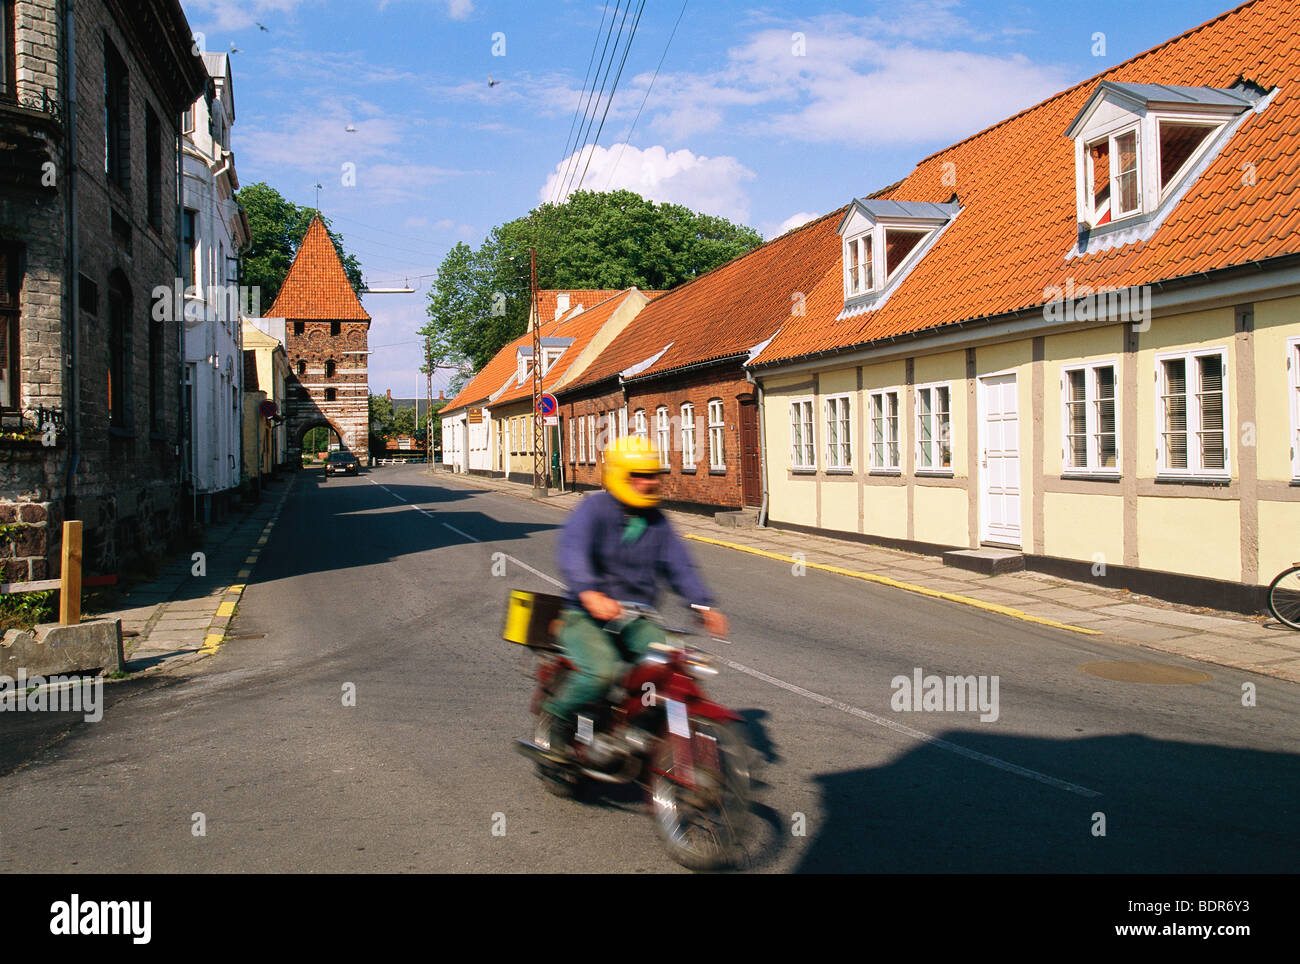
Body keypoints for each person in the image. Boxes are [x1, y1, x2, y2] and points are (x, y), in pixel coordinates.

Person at [541, 435, 728, 759]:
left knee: (668, 667)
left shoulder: (657, 521)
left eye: (653, 475)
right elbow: (574, 552)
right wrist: (589, 592)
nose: (649, 482)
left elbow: (679, 565)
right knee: (603, 671)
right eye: (639, 475)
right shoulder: (594, 509)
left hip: (637, 619)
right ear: (619, 475)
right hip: (584, 616)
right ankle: (558, 718)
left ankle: (642, 729)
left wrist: (702, 603)